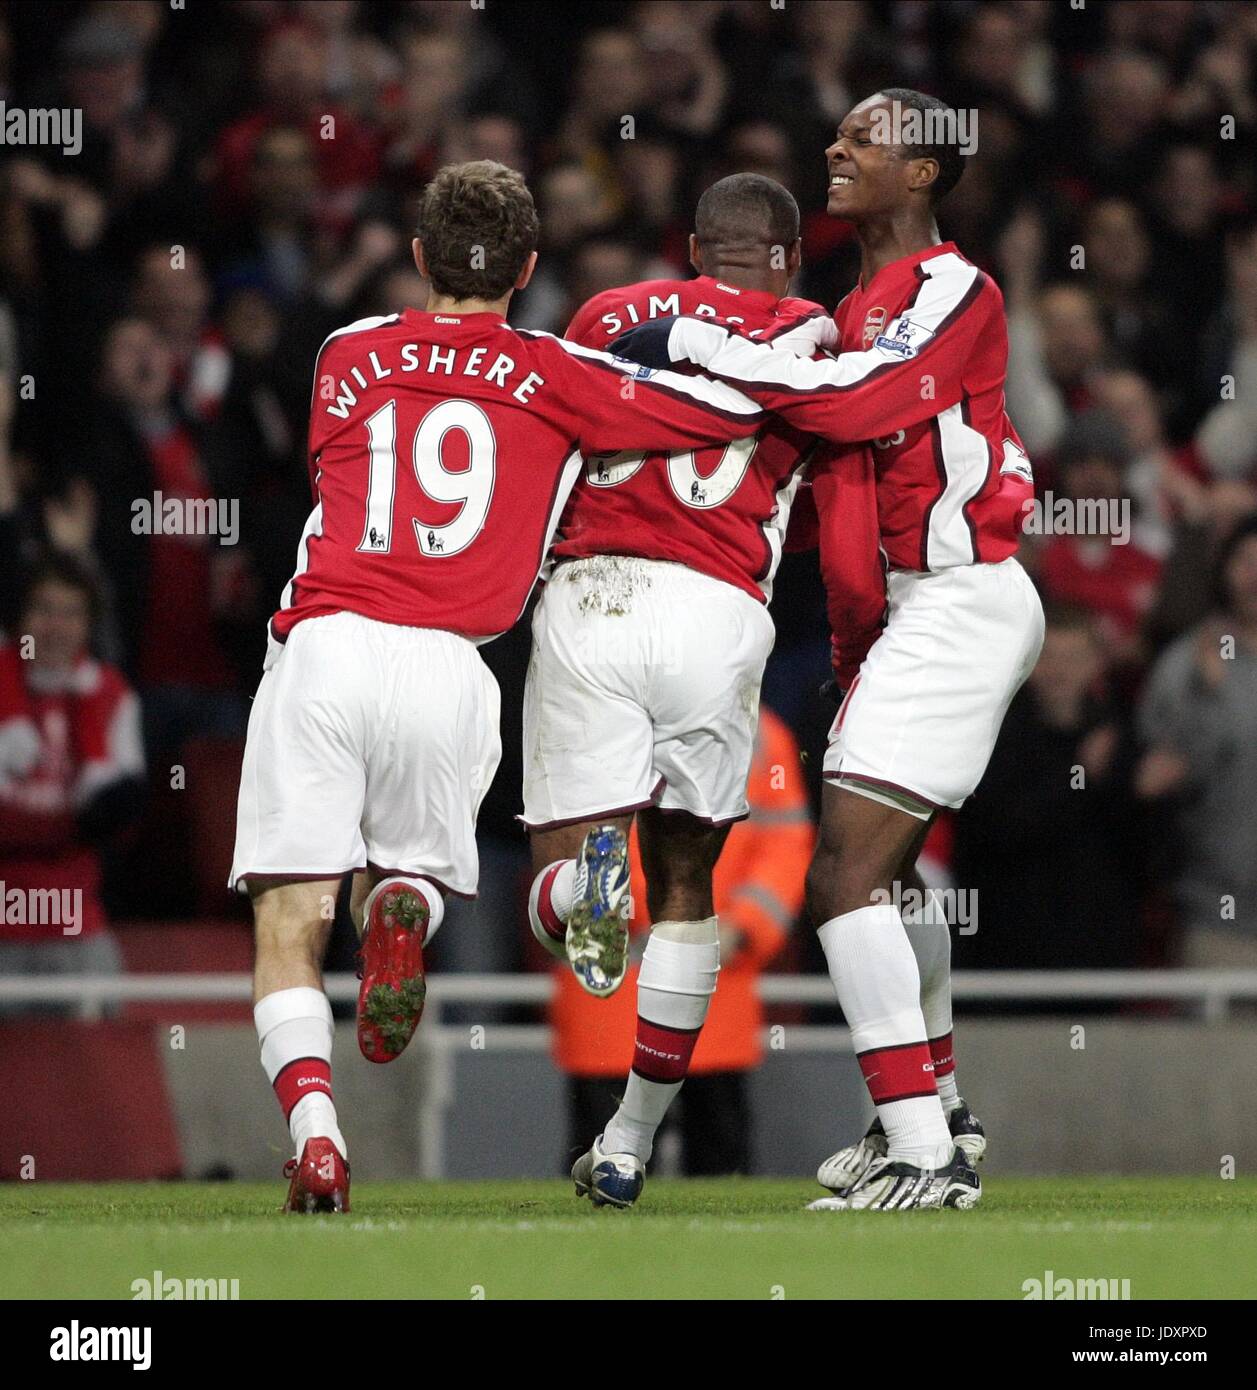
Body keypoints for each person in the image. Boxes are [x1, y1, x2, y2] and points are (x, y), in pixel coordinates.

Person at [228, 160, 766, 1213]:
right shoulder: (563, 374)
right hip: (452, 664)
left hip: (328, 641)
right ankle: (432, 902)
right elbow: (702, 419)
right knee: (427, 880)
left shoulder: (347, 352)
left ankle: (319, 1138)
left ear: (420, 255)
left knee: (290, 918)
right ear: (529, 267)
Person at [612, 89, 1043, 1212]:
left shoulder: (955, 289)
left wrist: (693, 334)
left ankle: (922, 1155)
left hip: (961, 594)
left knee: (843, 875)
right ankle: (938, 1110)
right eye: (839, 132)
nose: (837, 148)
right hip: (913, 612)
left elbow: (858, 405)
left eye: (869, 137)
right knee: (886, 877)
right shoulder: (853, 308)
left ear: (929, 173)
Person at [521, 172, 874, 1208]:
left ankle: (584, 882)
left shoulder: (604, 314)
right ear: (789, 252)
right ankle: (628, 1144)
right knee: (689, 888)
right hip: (718, 611)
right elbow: (833, 483)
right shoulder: (814, 333)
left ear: (689, 246)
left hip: (595, 591)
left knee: (558, 901)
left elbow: (563, 442)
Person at [551, 704, 811, 1178]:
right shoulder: (753, 729)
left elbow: (785, 839)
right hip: (630, 987)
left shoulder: (762, 735)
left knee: (713, 1152)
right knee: (598, 1148)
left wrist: (746, 924)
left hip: (705, 981)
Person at [0, 556, 144, 1011]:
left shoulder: (112, 694)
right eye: (43, 609)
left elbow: (124, 826)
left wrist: (28, 829)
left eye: (71, 612)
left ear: (89, 624)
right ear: (19, 619)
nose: (55, 626)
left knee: (106, 1038)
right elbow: (95, 821)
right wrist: (73, 828)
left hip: (77, 921)